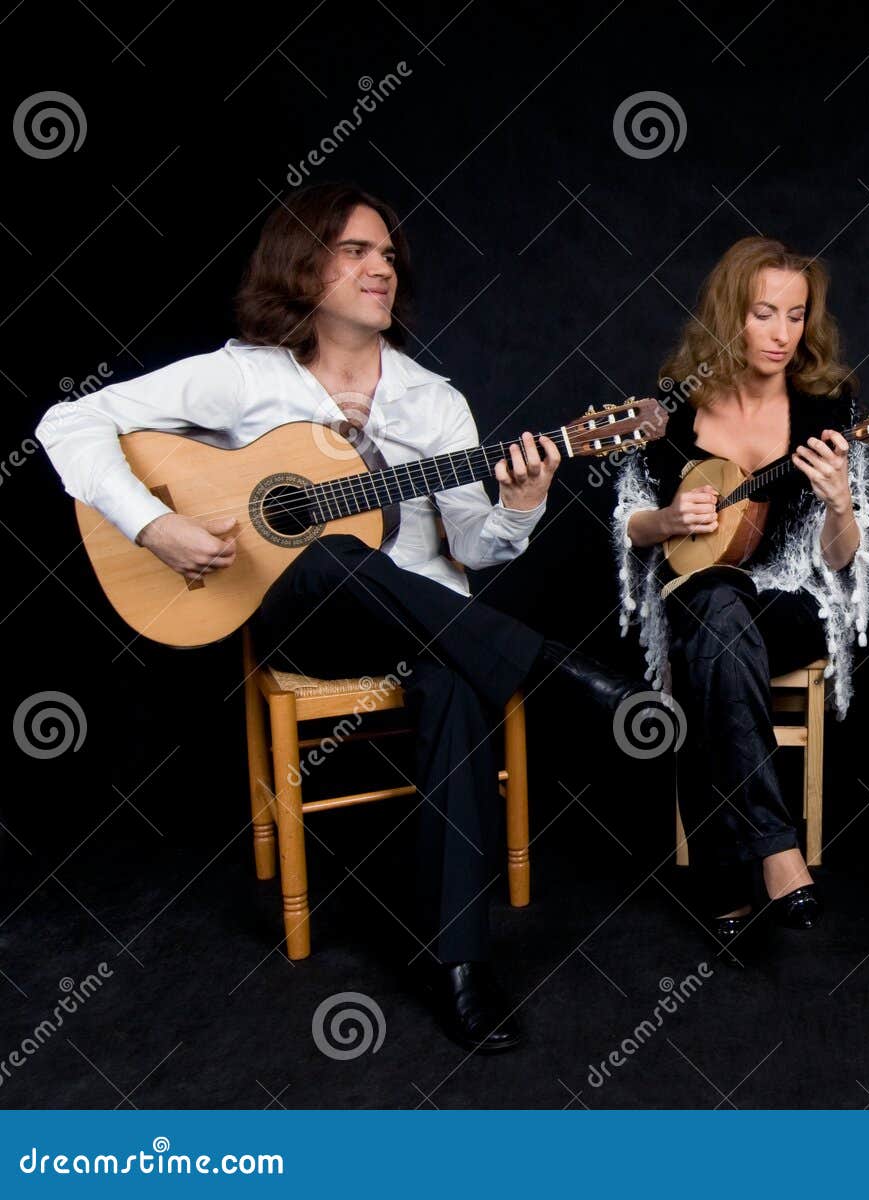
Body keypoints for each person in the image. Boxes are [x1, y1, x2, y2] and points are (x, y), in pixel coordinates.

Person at [36, 183, 640, 1054]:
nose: (380, 267)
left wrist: (521, 500)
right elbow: (70, 422)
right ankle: (550, 670)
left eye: (388, 254)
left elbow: (475, 547)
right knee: (327, 555)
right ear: (303, 265)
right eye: (356, 251)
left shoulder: (434, 401)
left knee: (453, 673)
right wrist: (152, 522)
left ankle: (460, 965)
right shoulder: (243, 375)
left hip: (430, 625)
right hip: (311, 621)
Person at [611, 236, 869, 961]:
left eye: (796, 315)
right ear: (731, 314)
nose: (784, 334)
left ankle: (729, 875)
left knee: (717, 620)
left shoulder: (829, 407)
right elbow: (629, 523)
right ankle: (776, 851)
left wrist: (839, 503)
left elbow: (843, 561)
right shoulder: (674, 408)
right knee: (715, 603)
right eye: (765, 313)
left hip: (789, 607)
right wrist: (671, 521)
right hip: (702, 600)